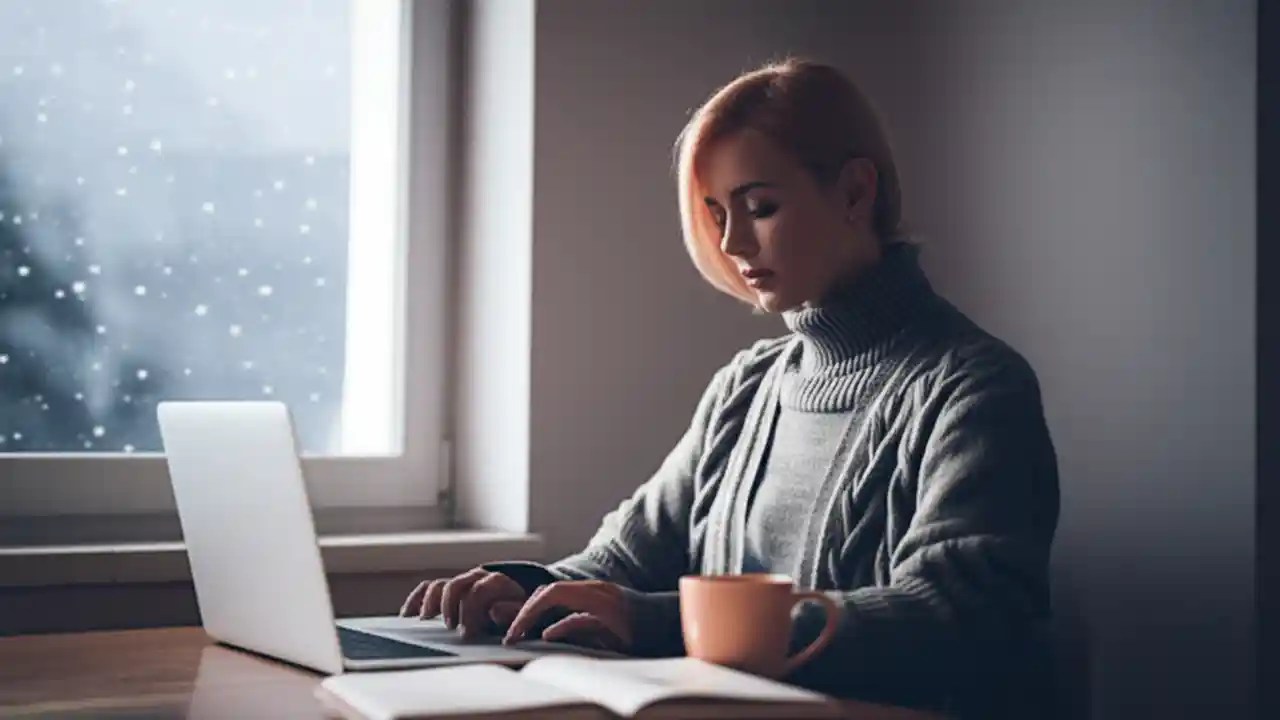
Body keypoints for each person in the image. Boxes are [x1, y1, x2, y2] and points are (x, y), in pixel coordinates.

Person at [400, 58, 1060, 717]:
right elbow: (625, 562)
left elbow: (958, 615)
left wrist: (658, 623)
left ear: (857, 192)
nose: (732, 242)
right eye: (716, 213)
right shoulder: (746, 388)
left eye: (760, 207)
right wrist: (520, 590)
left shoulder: (973, 387)